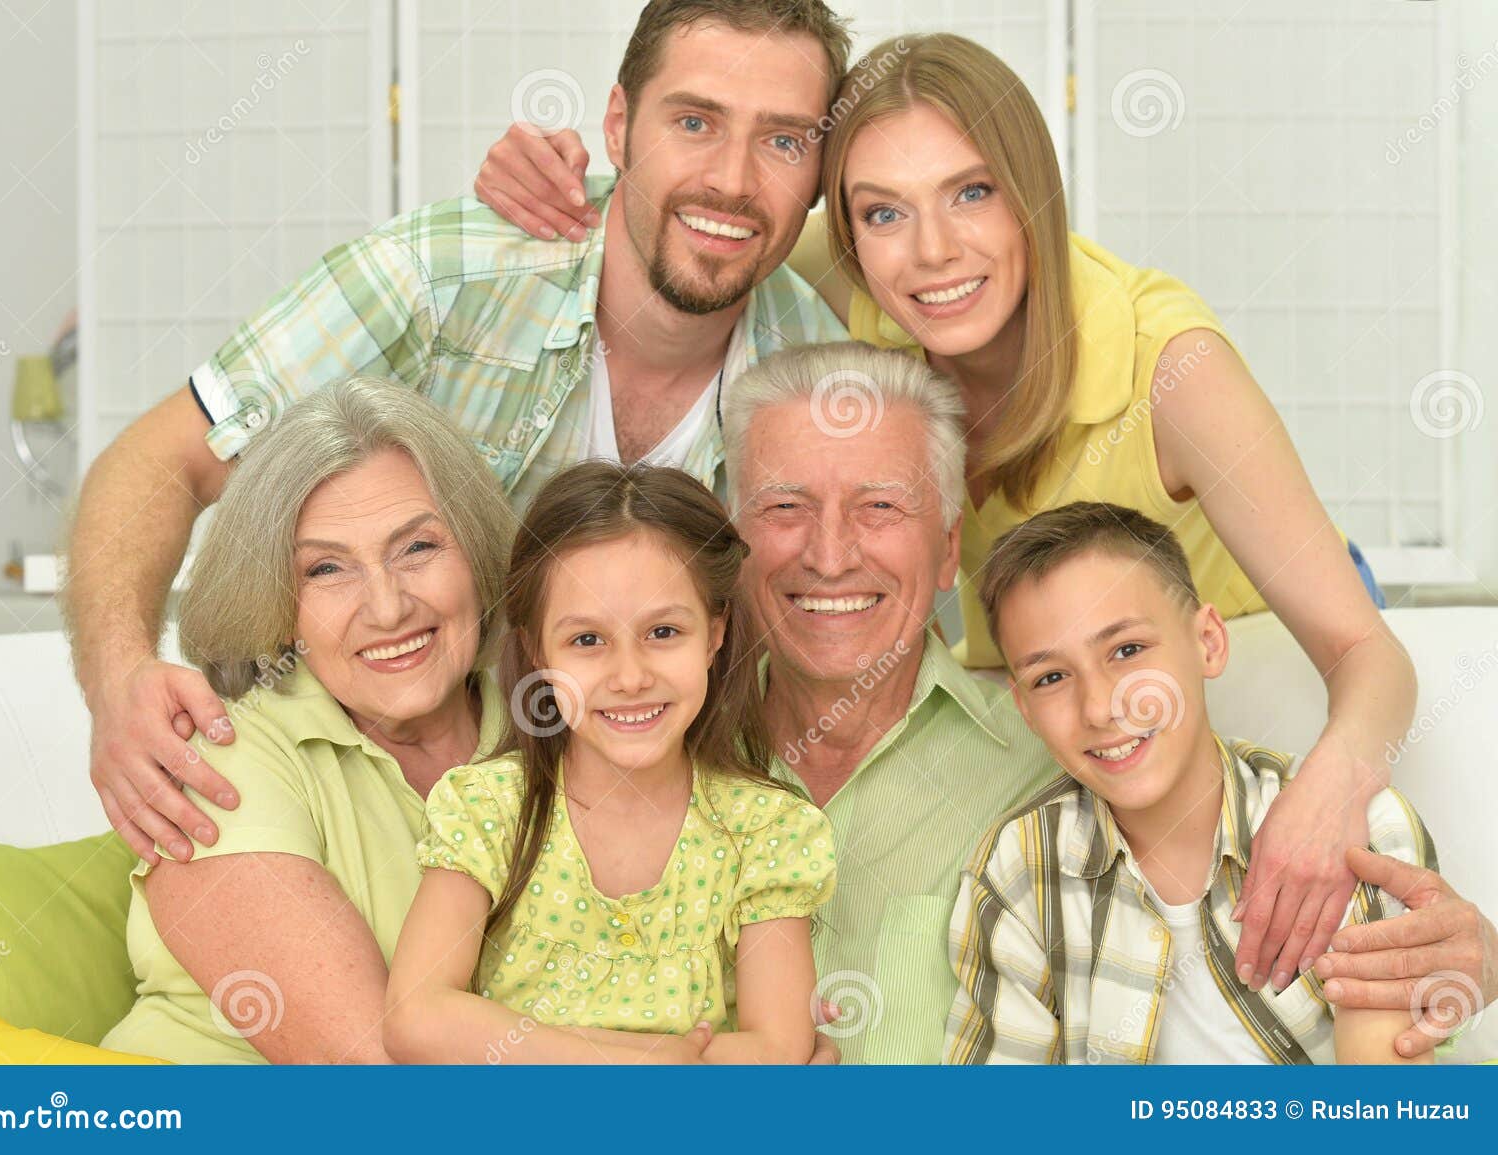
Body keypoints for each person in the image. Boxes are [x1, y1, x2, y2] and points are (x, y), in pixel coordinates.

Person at [474, 29, 1420, 1003]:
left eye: (973, 193)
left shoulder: (1174, 372)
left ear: (1033, 191)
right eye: (883, 211)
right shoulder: (864, 284)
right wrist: (557, 178)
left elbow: (1367, 653)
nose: (931, 253)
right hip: (1033, 674)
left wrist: (1326, 793)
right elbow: (712, 212)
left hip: (1237, 635)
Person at [65, 0, 849, 874]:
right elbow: (160, 459)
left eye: (783, 141)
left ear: (819, 175)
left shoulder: (821, 386)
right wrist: (118, 680)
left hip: (604, 858)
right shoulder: (443, 277)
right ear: (620, 126)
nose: (732, 179)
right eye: (694, 121)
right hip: (358, 817)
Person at [101, 379, 516, 1063]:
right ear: (276, 600)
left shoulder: (556, 740)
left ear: (476, 553)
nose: (386, 608)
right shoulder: (223, 757)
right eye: (328, 568)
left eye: (417, 548)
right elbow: (377, 1083)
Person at [945, 502, 1435, 1064]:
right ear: (1024, 709)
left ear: (1208, 642)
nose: (1102, 707)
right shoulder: (1019, 869)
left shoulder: (1358, 830)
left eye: (1127, 650)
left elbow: (1385, 1113)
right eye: (1051, 677)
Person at [383, 462, 836, 1063]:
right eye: (588, 641)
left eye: (664, 631)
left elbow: (778, 1049)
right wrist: (633, 1062)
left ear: (716, 633)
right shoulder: (490, 809)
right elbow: (415, 1016)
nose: (629, 677)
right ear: (536, 649)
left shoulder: (766, 831)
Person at [721, 343, 1062, 1062]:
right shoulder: (649, 759)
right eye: (785, 505)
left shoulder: (1049, 771)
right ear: (733, 543)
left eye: (879, 506)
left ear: (946, 549)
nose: (831, 554)